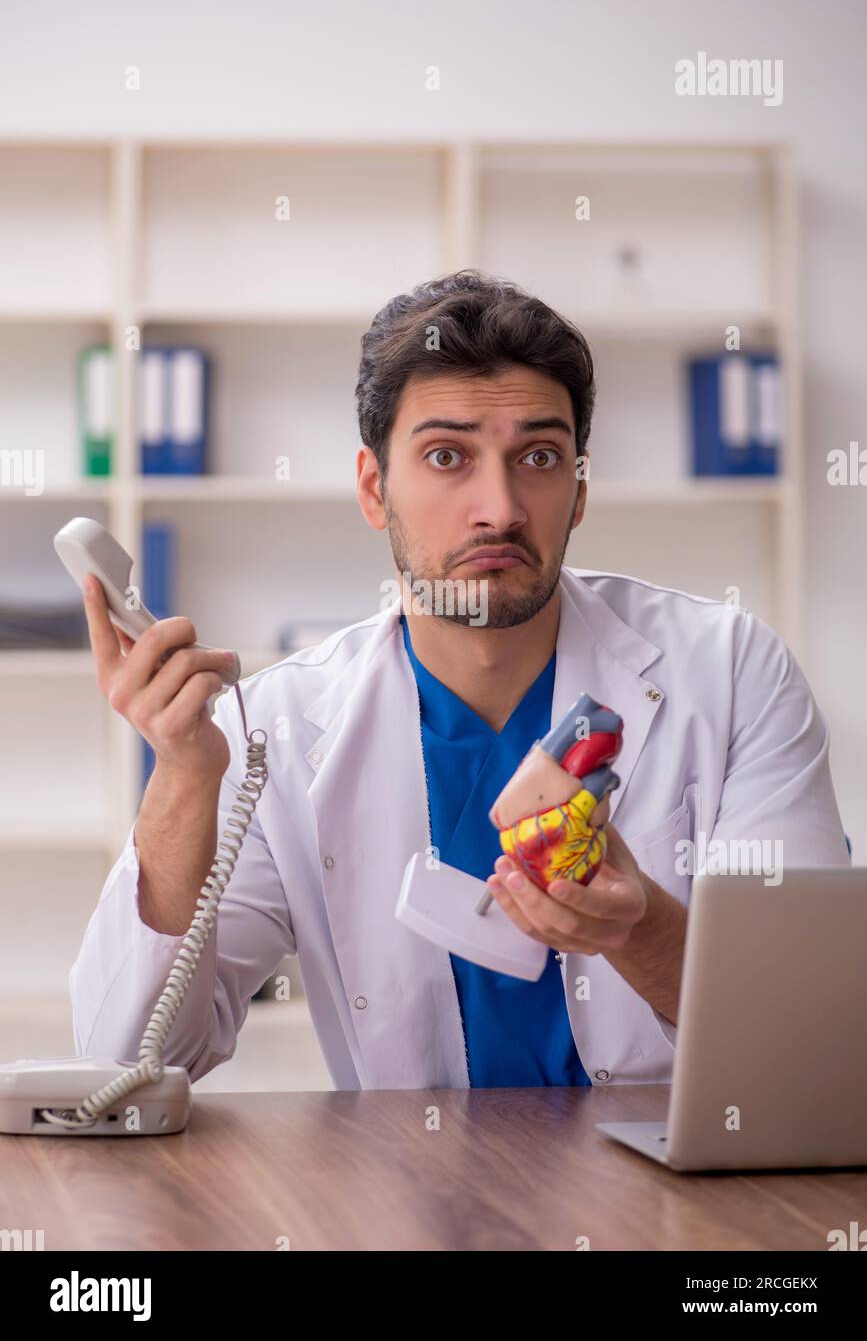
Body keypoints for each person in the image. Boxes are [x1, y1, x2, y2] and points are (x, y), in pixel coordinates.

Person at [69, 270, 850, 1090]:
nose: (499, 507)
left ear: (578, 493)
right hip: (410, 1198)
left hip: (680, 1204)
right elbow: (126, 1061)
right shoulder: (276, 726)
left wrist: (638, 930)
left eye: (538, 457)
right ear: (375, 490)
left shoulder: (730, 672)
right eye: (447, 456)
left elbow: (811, 1032)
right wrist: (184, 783)